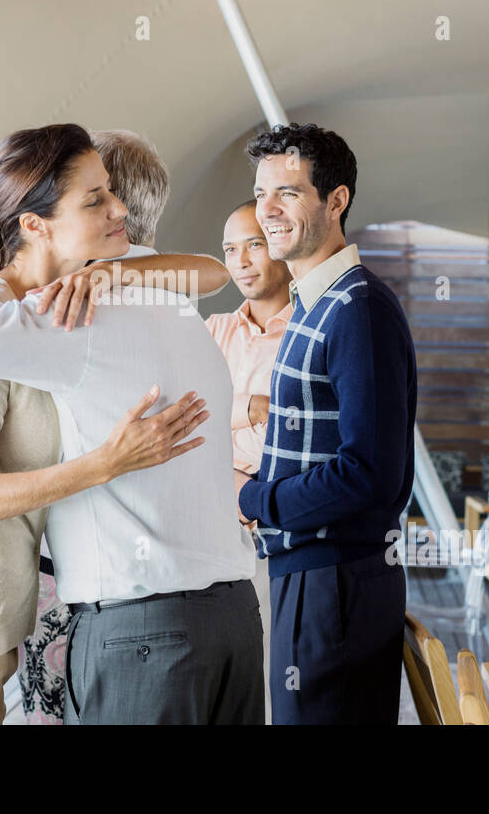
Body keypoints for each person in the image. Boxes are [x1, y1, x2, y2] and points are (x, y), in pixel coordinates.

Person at [0, 125, 264, 725]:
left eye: (111, 192)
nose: (118, 210)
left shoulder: (75, 302)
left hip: (143, 630)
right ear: (36, 224)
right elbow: (211, 271)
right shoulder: (128, 292)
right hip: (228, 617)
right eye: (95, 199)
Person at [235, 123, 417, 725]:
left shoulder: (356, 309)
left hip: (336, 582)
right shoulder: (317, 301)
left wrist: (257, 498)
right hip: (311, 573)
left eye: (287, 193)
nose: (267, 212)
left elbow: (369, 473)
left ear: (335, 201)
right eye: (261, 194)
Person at [204, 199, 292, 716]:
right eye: (229, 250)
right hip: (215, 524)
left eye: (254, 244)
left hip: (278, 525)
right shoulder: (212, 330)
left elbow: (302, 429)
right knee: (227, 684)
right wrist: (252, 409)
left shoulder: (307, 328)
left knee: (275, 678)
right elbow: (187, 416)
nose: (240, 261)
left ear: (279, 244)